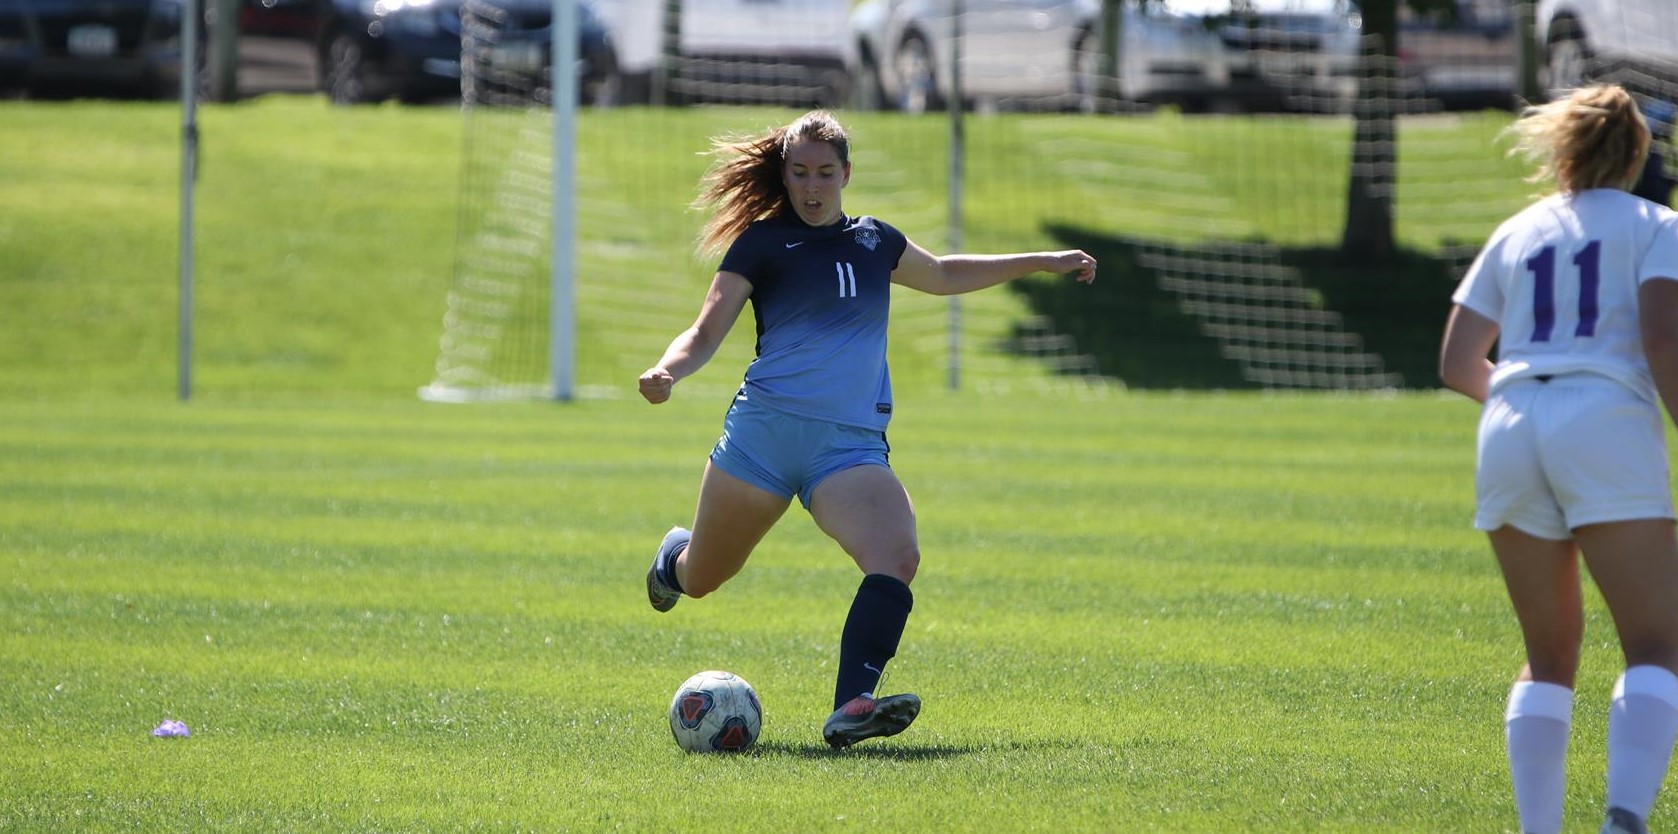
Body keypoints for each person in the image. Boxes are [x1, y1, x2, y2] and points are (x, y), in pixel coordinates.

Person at [637, 110, 1096, 749]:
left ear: (847, 173)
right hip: (763, 438)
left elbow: (943, 274)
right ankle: (673, 562)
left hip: (846, 450)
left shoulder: (875, 241)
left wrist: (1042, 261)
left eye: (825, 172)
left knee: (896, 555)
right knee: (704, 579)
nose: (812, 186)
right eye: (799, 172)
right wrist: (667, 370)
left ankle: (852, 703)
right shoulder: (762, 245)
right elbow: (706, 330)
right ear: (786, 174)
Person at [1439, 83, 1678, 834]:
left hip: (1509, 420)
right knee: (1656, 642)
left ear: (1562, 150)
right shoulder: (1659, 224)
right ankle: (1623, 821)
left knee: (1548, 654)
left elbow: (1456, 362)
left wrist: (1530, 413)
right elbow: (1663, 338)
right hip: (1603, 415)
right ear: (1637, 153)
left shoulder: (1520, 228)